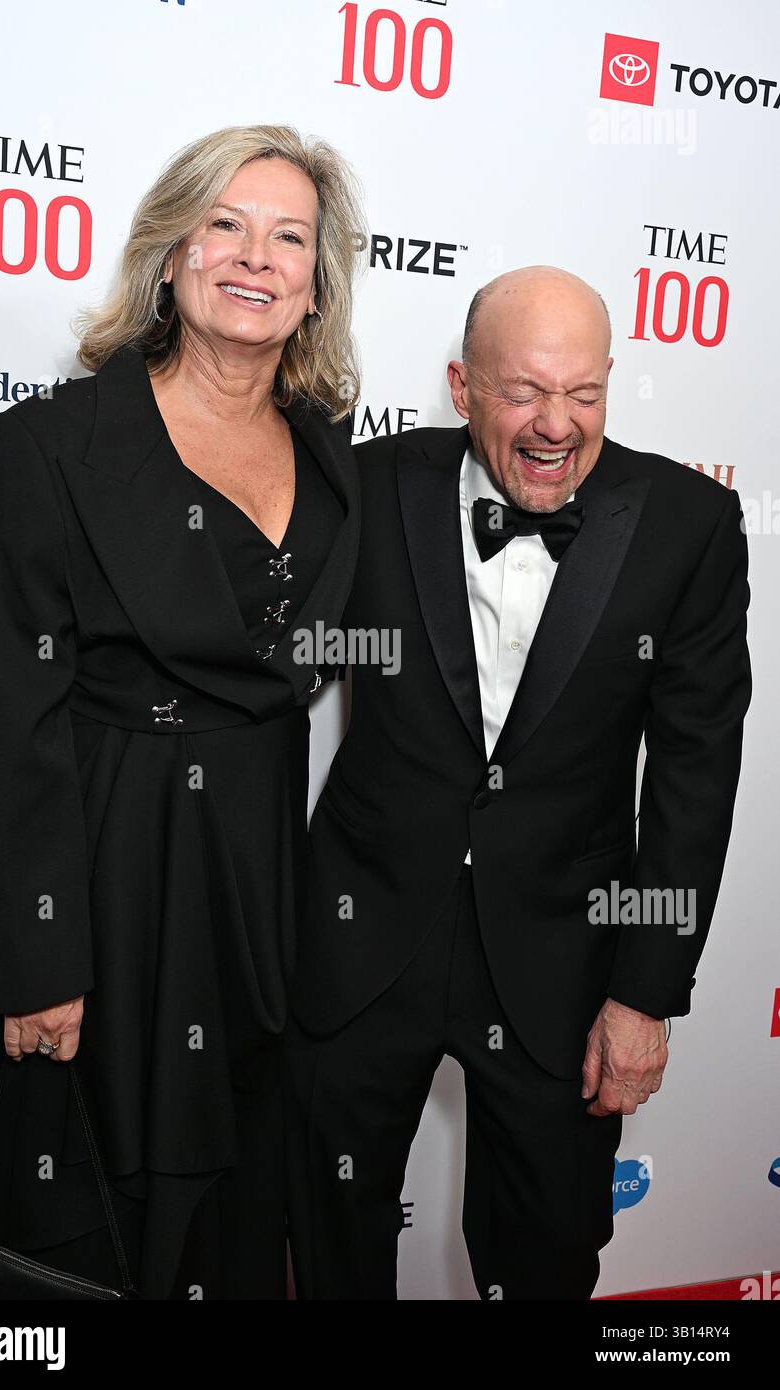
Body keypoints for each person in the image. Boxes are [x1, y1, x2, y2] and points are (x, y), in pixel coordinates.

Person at [283, 265, 751, 1300]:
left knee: (541, 1256)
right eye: (524, 392)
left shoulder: (687, 526)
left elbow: (692, 773)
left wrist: (642, 992)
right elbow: (269, 682)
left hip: (562, 954)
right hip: (360, 935)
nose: (557, 426)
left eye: (583, 394)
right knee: (325, 1241)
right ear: (460, 386)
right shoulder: (363, 484)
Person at [0, 124, 366, 1300]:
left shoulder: (335, 464)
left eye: (289, 236)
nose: (255, 256)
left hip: (256, 889)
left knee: (240, 1201)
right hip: (106, 872)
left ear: (314, 280)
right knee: (86, 1217)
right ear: (172, 254)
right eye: (225, 225)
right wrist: (38, 955)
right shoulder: (52, 446)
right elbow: (15, 718)